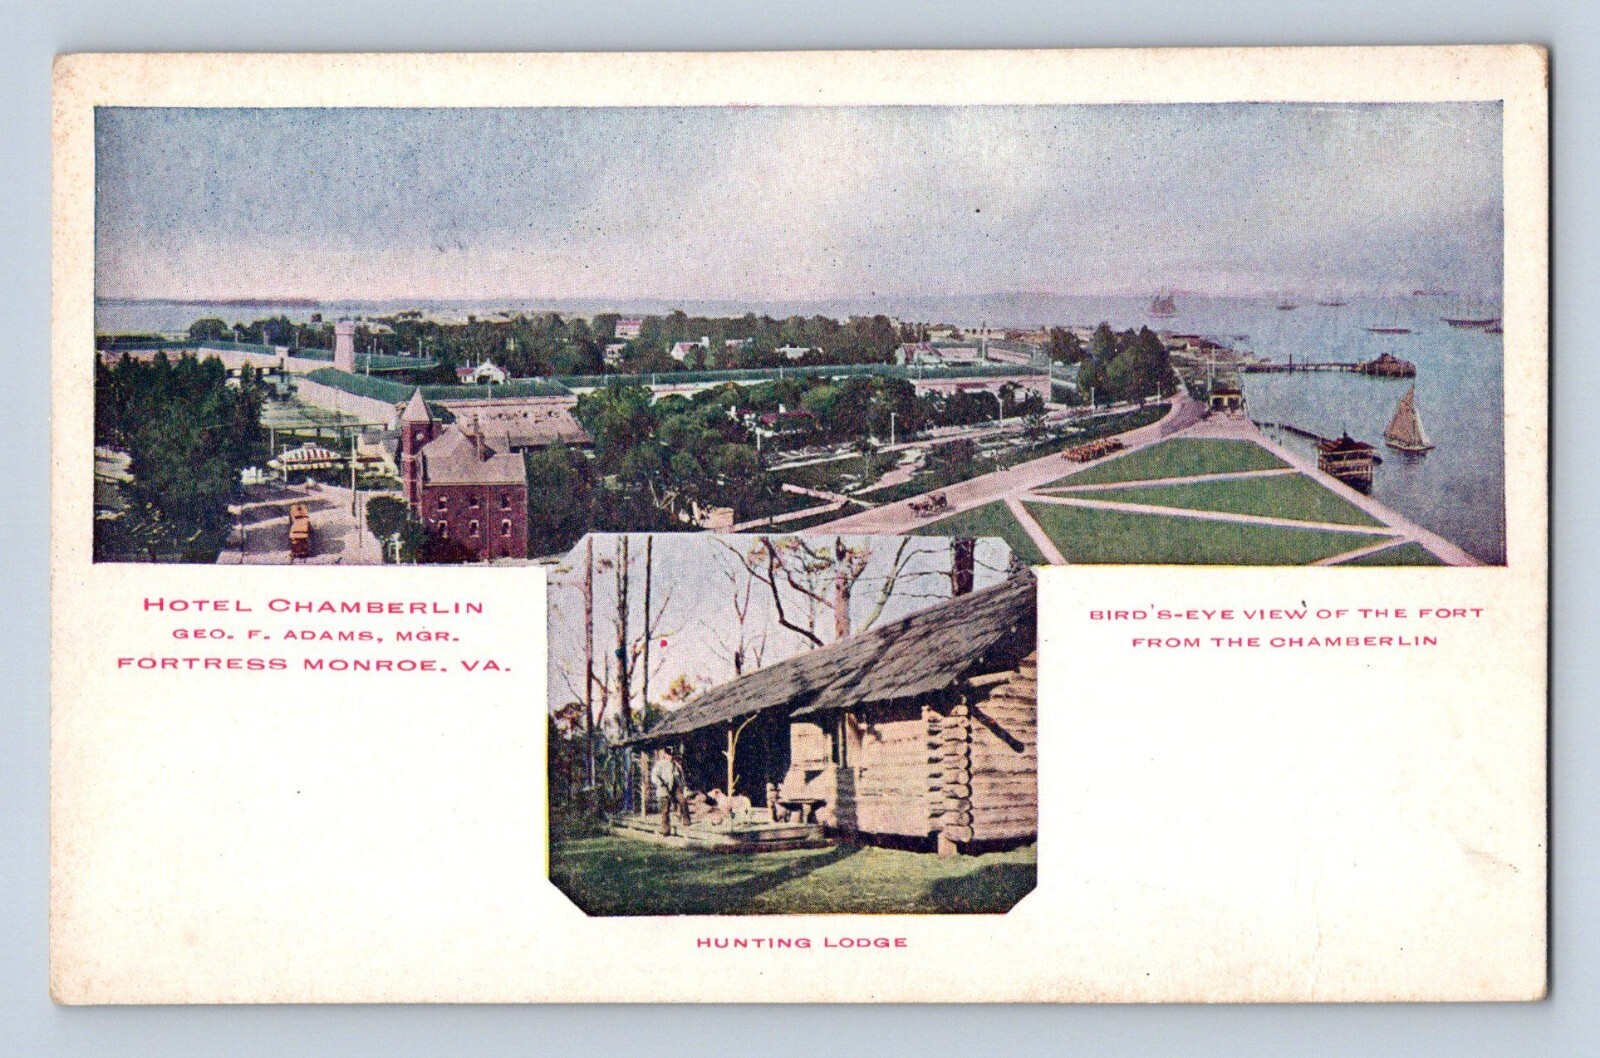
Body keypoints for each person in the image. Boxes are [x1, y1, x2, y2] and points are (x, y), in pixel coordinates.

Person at [650, 748, 686, 836]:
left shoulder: (673, 764)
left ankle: (685, 821)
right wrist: (660, 783)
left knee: (682, 799)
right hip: (663, 789)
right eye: (669, 755)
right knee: (665, 810)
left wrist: (681, 784)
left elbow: (676, 775)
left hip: (672, 788)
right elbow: (654, 776)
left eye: (672, 755)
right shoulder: (659, 764)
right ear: (665, 755)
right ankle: (665, 830)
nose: (670, 756)